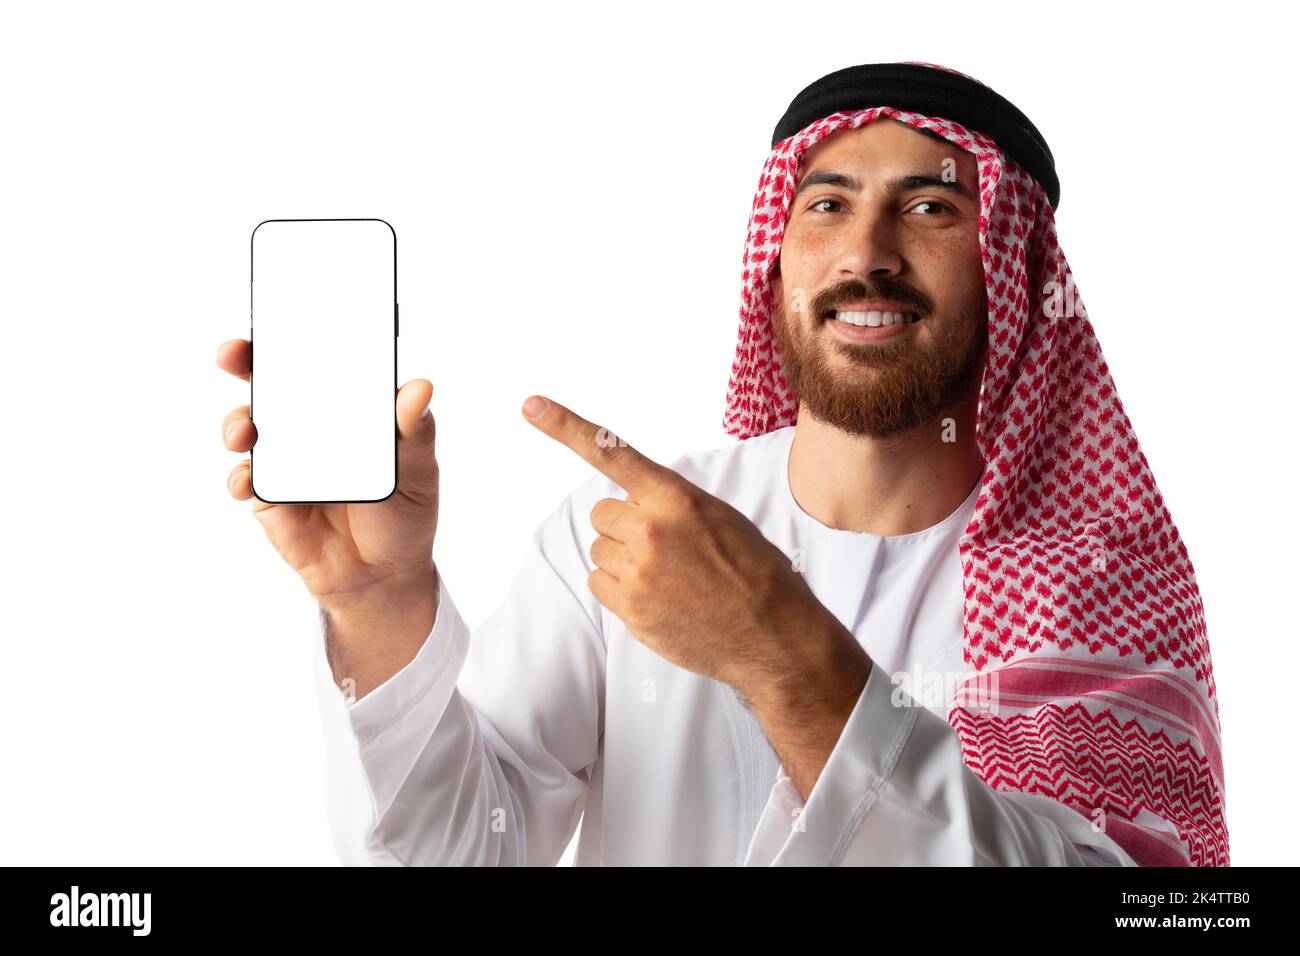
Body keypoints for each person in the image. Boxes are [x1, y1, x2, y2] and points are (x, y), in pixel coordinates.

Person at [216, 61, 1229, 866]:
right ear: (776, 254)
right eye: (826, 205)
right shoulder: (628, 529)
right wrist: (381, 600)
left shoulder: (1096, 576)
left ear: (1012, 265)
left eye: (930, 209)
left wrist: (779, 654)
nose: (864, 253)